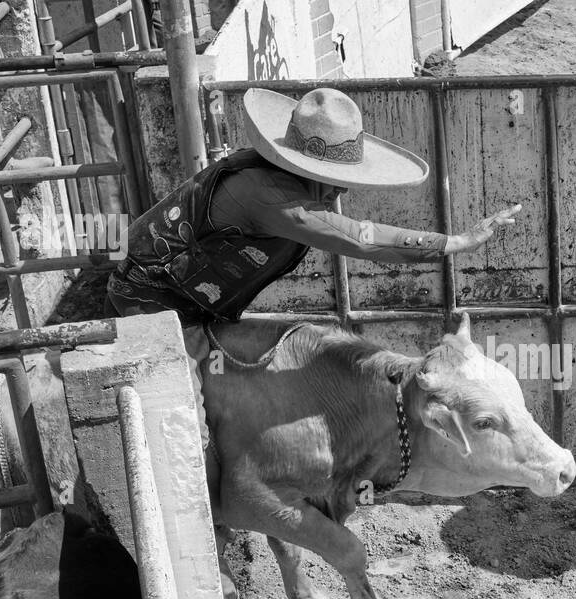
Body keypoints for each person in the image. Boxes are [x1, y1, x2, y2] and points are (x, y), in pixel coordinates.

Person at [105, 87, 521, 452]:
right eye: (334, 177)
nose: (340, 188)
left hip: (194, 298)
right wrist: (457, 242)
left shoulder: (265, 176)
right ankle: (194, 509)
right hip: (156, 298)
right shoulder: (270, 198)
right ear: (301, 169)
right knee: (188, 420)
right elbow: (361, 237)